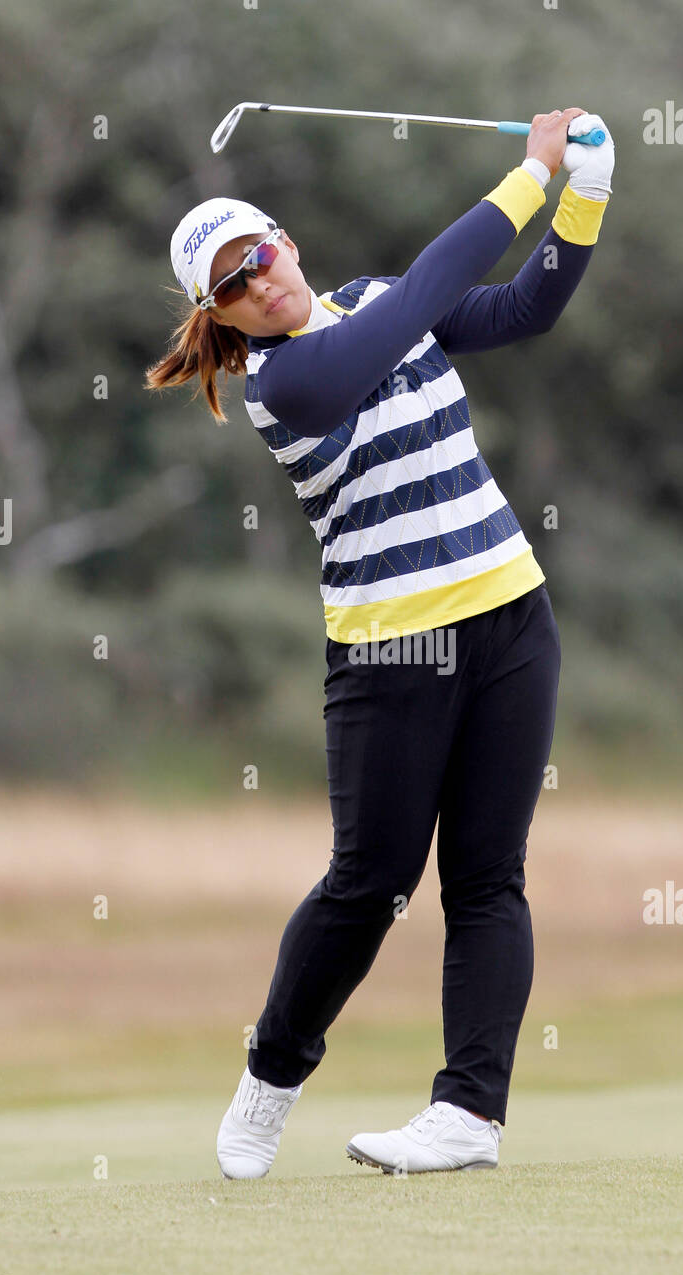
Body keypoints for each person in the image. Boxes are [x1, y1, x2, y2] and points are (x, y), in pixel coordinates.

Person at [146, 108, 614, 1177]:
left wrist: (584, 192)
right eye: (229, 285)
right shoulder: (284, 386)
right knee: (369, 881)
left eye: (258, 255)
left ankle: (467, 1114)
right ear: (216, 314)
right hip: (390, 649)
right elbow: (418, 302)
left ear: (287, 241)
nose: (256, 283)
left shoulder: (368, 306)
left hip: (509, 615)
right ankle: (270, 1075)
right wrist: (529, 174)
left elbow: (525, 305)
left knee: (488, 877)